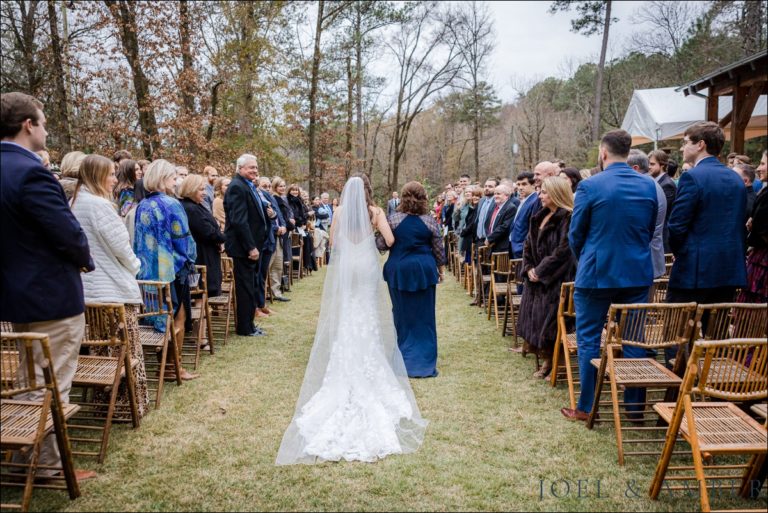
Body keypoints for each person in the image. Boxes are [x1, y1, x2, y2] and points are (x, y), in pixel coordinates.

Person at [276, 175, 426, 465]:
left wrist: (349, 245)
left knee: (348, 313)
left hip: (348, 265)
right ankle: (369, 362)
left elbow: (333, 241)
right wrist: (372, 240)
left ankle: (346, 364)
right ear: (368, 190)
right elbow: (391, 240)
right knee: (366, 313)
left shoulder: (340, 212)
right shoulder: (376, 212)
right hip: (366, 263)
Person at [1, 91, 97, 481]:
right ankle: (46, 465)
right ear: (28, 125)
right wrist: (84, 259)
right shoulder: (31, 172)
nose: (46, 130)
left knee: (29, 380)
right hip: (50, 295)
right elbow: (67, 232)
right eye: (43, 122)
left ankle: (25, 457)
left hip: (14, 295)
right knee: (52, 384)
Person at [562, 129, 658, 423]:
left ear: (603, 153)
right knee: (634, 339)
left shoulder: (591, 186)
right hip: (636, 271)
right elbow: (649, 228)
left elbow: (575, 234)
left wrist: (587, 258)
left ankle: (587, 407)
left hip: (596, 272)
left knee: (589, 338)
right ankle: (634, 408)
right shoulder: (648, 185)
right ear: (628, 153)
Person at [70, 154, 149, 418]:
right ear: (97, 176)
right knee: (123, 349)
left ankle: (103, 405)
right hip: (111, 287)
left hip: (88, 288)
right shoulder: (99, 206)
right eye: (111, 174)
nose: (115, 180)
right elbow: (121, 247)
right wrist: (135, 265)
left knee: (100, 348)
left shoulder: (73, 203)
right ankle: (126, 407)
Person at [134, 159, 200, 381]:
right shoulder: (171, 204)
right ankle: (174, 367)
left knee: (159, 315)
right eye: (173, 178)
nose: (176, 182)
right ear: (163, 179)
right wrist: (190, 258)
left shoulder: (142, 205)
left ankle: (164, 365)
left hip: (148, 271)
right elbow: (183, 238)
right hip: (172, 269)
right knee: (178, 316)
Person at [667, 122, 746, 306]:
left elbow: (677, 225)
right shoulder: (736, 179)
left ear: (700, 144)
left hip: (695, 271)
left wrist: (682, 253)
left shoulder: (692, 177)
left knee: (678, 323)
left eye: (686, 142)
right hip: (728, 268)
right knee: (718, 324)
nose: (682, 148)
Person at [381, 180, 446, 378]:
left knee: (401, 314)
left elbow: (382, 244)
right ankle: (423, 357)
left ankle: (404, 357)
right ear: (424, 198)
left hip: (399, 270)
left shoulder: (393, 220)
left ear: (402, 197)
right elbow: (438, 249)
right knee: (425, 315)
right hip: (423, 270)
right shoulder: (429, 221)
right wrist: (441, 270)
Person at [518, 177, 577, 378]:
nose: (540, 196)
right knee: (535, 320)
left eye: (544, 192)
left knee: (551, 323)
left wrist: (541, 271)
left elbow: (563, 251)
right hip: (536, 281)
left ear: (556, 194)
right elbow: (528, 244)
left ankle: (554, 362)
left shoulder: (568, 218)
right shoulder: (539, 216)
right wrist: (528, 269)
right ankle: (544, 357)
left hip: (555, 280)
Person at [224, 154, 269, 337]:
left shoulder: (247, 185)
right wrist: (251, 247)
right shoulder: (237, 187)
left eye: (256, 167)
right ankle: (245, 328)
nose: (255, 170)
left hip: (253, 246)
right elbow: (239, 221)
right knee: (245, 288)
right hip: (243, 249)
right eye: (251, 167)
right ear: (240, 168)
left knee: (251, 286)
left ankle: (250, 324)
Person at [179, 174, 225, 299]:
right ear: (191, 189)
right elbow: (207, 232)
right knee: (200, 293)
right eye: (201, 189)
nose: (204, 193)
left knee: (202, 294)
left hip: (207, 253)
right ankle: (202, 313)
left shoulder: (196, 206)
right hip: (201, 256)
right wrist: (223, 237)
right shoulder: (191, 208)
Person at [739, 150, 768, 304]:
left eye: (763, 164)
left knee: (755, 309)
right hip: (759, 256)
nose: (758, 168)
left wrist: (755, 225)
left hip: (763, 260)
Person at [648, 149, 676, 252]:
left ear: (662, 165)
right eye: (648, 164)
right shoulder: (657, 182)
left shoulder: (667, 184)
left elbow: (663, 213)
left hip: (664, 237)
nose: (649, 167)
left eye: (652, 164)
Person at [509, 172, 538, 259]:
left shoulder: (535, 201)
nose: (520, 188)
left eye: (524, 184)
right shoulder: (524, 200)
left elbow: (533, 229)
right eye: (518, 184)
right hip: (515, 248)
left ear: (533, 185)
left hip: (523, 250)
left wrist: (523, 247)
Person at [484, 183, 517, 254]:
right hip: (490, 244)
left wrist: (490, 238)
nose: (495, 196)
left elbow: (504, 227)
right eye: (495, 194)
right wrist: (488, 237)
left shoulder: (511, 208)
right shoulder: (493, 206)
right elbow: (487, 223)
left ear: (506, 196)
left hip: (501, 247)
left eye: (498, 194)